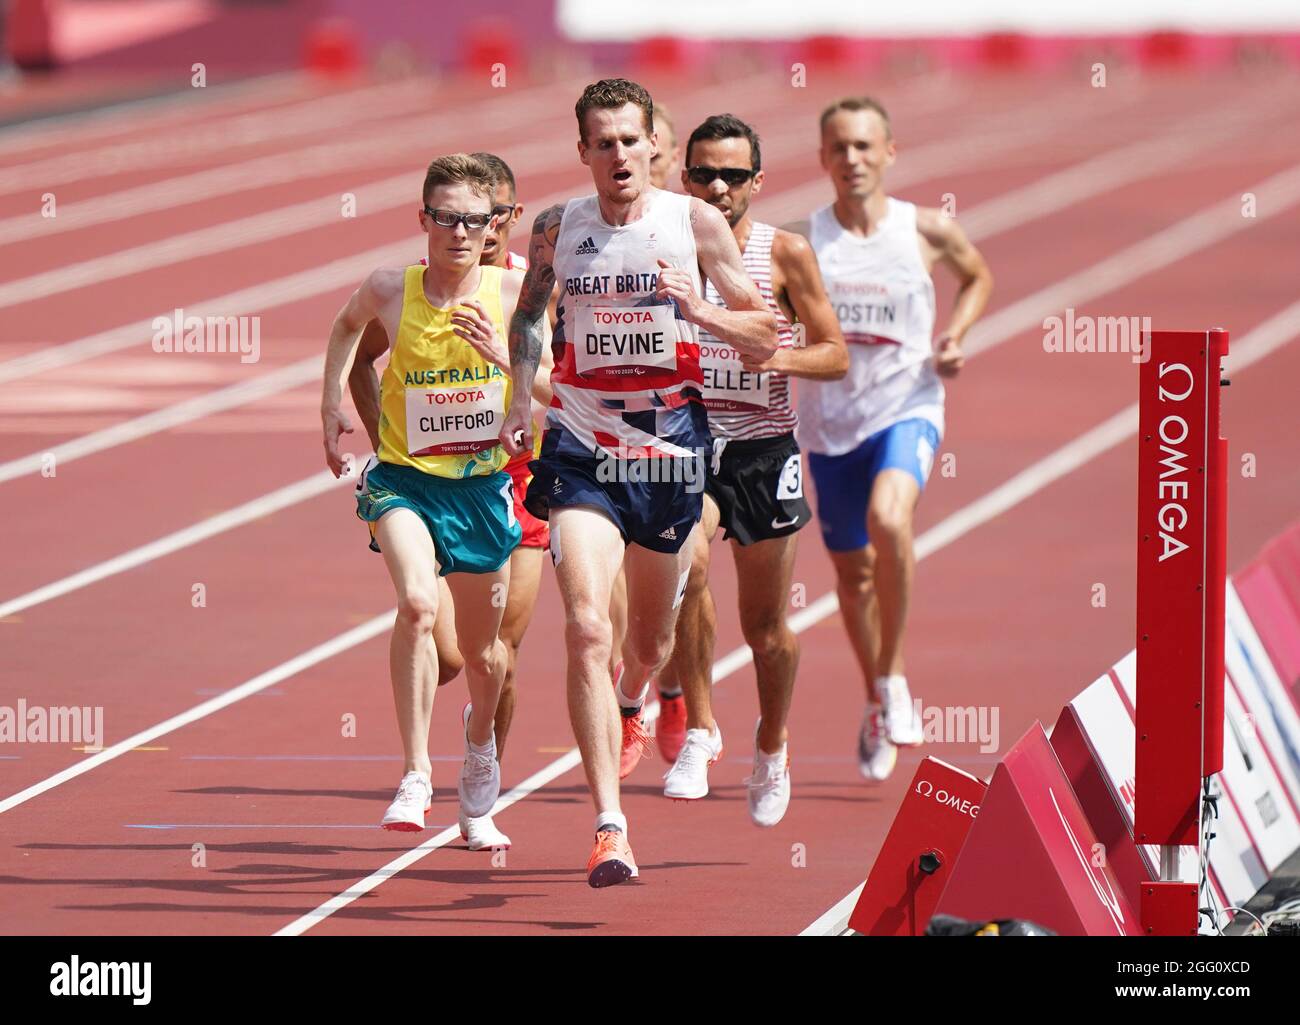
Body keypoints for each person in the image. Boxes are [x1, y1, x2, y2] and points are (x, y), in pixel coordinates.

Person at [500, 78, 777, 887]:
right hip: (583, 447)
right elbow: (527, 314)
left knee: (649, 640)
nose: (619, 154)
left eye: (632, 139)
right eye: (603, 142)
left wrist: (702, 311)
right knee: (586, 622)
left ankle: (636, 692)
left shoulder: (692, 222)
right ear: (582, 150)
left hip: (667, 454)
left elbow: (761, 328)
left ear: (656, 144)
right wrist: (522, 396)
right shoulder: (558, 227)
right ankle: (609, 825)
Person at [346, 153, 551, 849]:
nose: (467, 233)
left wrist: (510, 367)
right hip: (418, 481)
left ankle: (481, 764)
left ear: (505, 221)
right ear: (430, 219)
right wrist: (388, 446)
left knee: (491, 654)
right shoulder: (406, 289)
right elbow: (358, 351)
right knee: (422, 612)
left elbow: (563, 385)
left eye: (480, 220)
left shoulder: (524, 290)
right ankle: (416, 770)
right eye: (451, 218)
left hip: (513, 488)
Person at [787, 97, 993, 782]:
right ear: (822, 158)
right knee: (853, 574)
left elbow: (977, 276)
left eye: (865, 147)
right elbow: (776, 312)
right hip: (830, 423)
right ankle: (877, 693)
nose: (852, 160)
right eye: (839, 148)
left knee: (889, 518)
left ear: (890, 153)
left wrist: (956, 335)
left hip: (908, 403)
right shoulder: (805, 241)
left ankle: (896, 677)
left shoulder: (926, 230)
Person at [657, 114, 847, 827]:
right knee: (686, 565)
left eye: (733, 175)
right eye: (703, 172)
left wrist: (779, 357)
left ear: (756, 182)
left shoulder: (785, 253)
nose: (717, 186)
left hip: (762, 452)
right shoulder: (663, 249)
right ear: (685, 178)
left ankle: (772, 742)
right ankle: (701, 729)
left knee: (766, 628)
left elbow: (834, 351)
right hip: (685, 445)